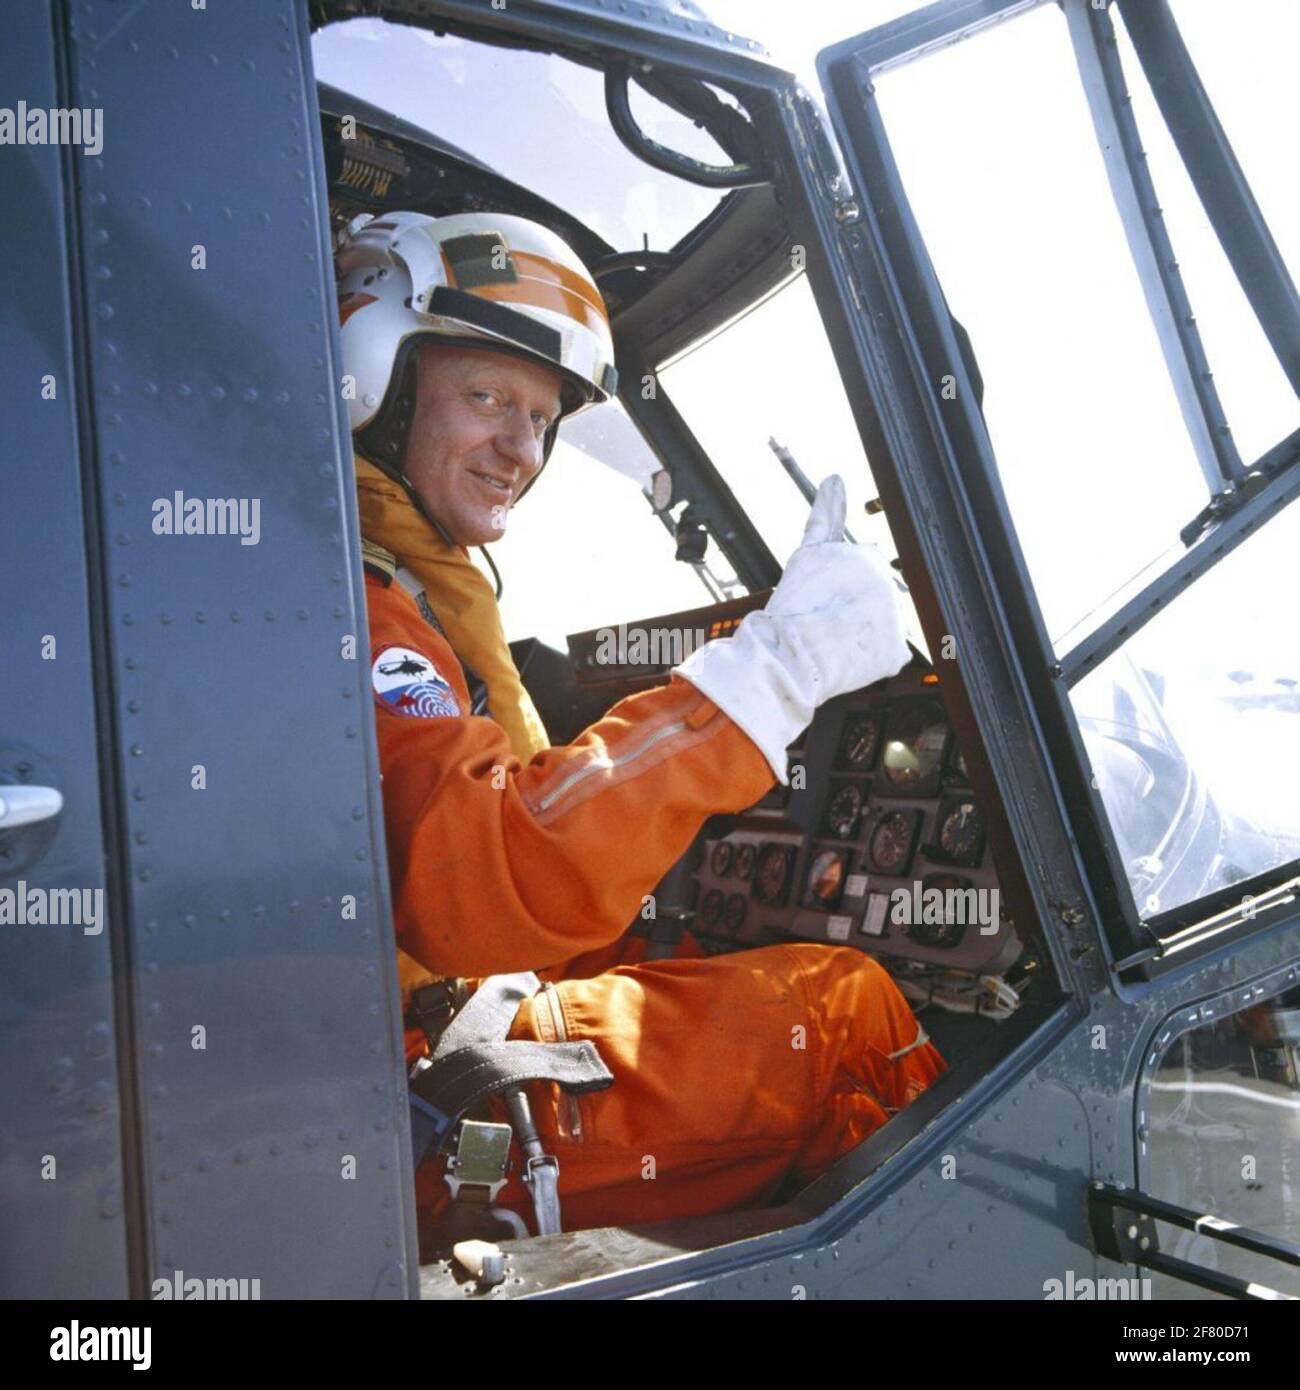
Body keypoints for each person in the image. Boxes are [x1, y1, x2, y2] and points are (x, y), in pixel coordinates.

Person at [337, 209, 945, 1247]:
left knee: (713, 966)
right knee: (848, 1009)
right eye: (486, 398)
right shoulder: (364, 606)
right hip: (413, 1108)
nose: (518, 449)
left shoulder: (405, 584)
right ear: (378, 384)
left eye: (540, 418)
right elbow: (481, 879)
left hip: (409, 1032)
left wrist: (667, 949)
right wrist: (771, 668)